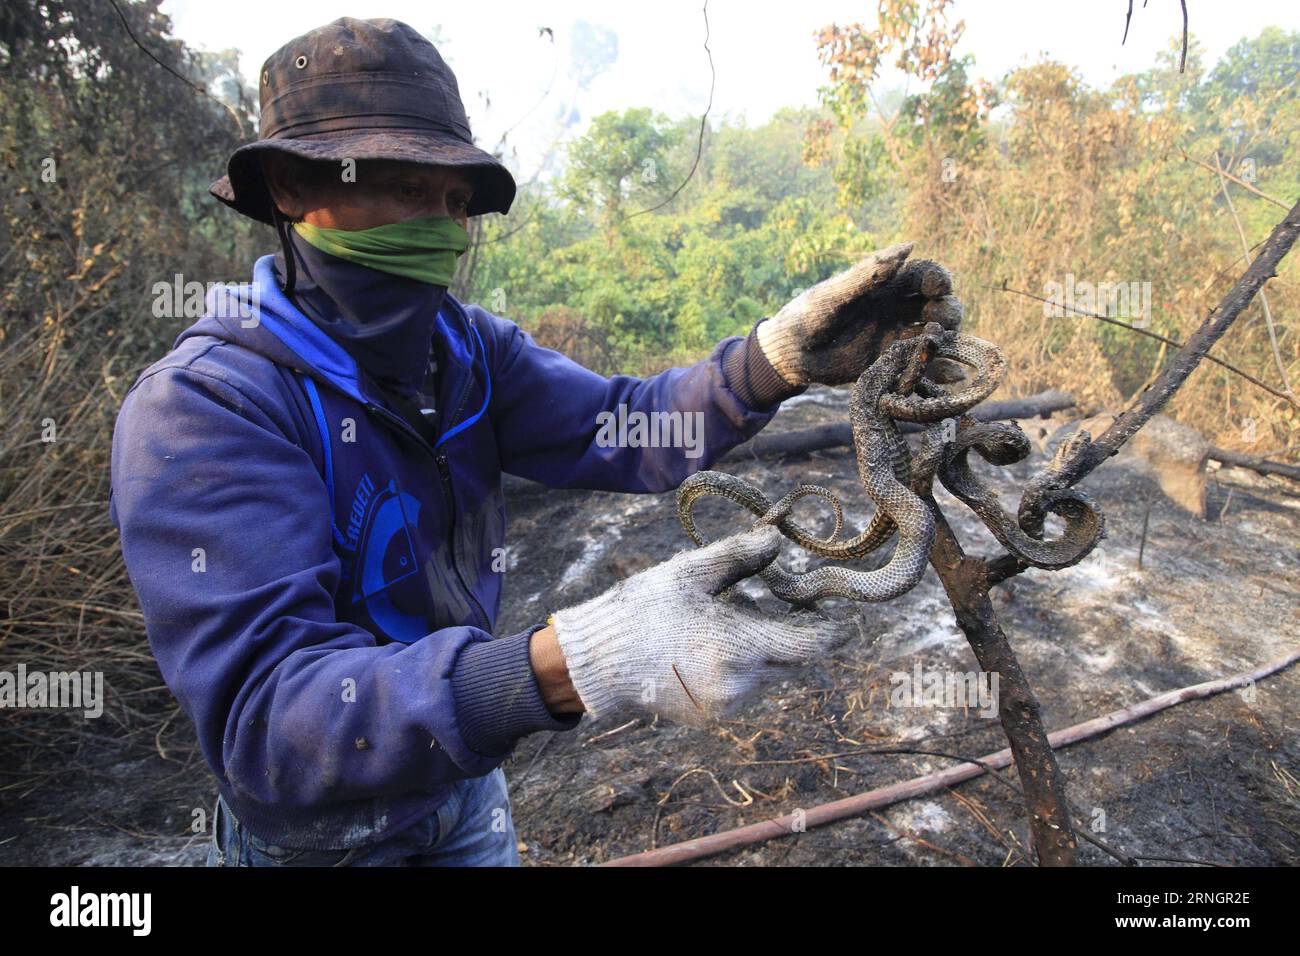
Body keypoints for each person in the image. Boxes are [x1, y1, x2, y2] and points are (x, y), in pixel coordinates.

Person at [109, 17, 961, 867]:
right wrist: (576, 661)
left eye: (451, 201)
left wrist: (773, 361)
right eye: (404, 189)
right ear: (291, 191)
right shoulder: (207, 410)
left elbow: (631, 428)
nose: (440, 228)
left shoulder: (466, 353)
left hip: (464, 791)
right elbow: (269, 721)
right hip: (320, 845)